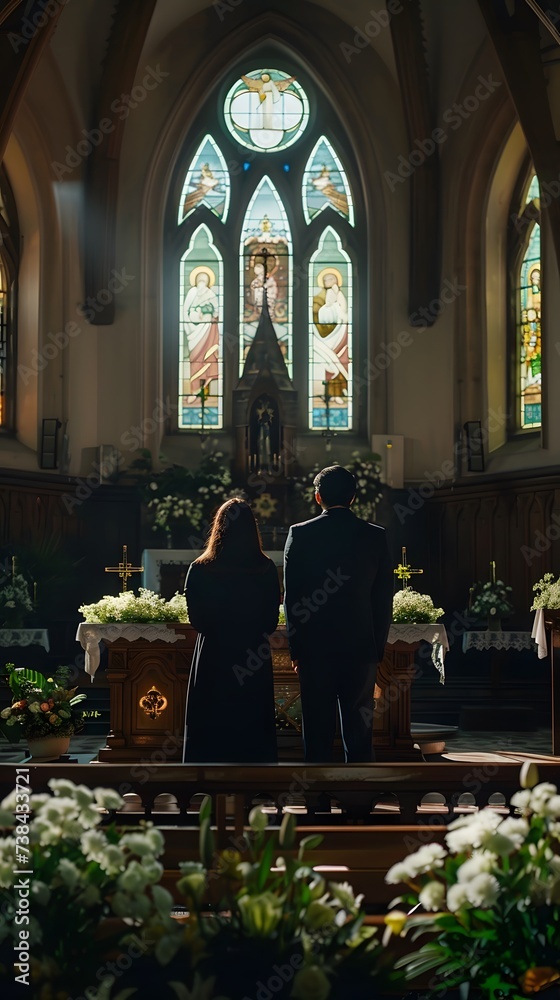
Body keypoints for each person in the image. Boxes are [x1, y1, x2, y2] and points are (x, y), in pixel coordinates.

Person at [283, 465, 393, 763]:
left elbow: (293, 599)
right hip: (360, 648)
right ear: (354, 497)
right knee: (359, 730)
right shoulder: (374, 536)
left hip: (314, 649)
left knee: (316, 729)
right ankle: (359, 799)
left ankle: (316, 803)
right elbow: (383, 600)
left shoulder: (300, 534)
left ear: (317, 497)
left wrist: (296, 650)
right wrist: (376, 649)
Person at [183, 498, 280, 762]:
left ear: (218, 528)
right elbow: (271, 619)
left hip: (214, 654)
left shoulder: (200, 569)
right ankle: (255, 777)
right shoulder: (265, 568)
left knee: (212, 716)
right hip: (252, 656)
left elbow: (197, 620)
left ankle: (206, 776)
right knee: (250, 716)